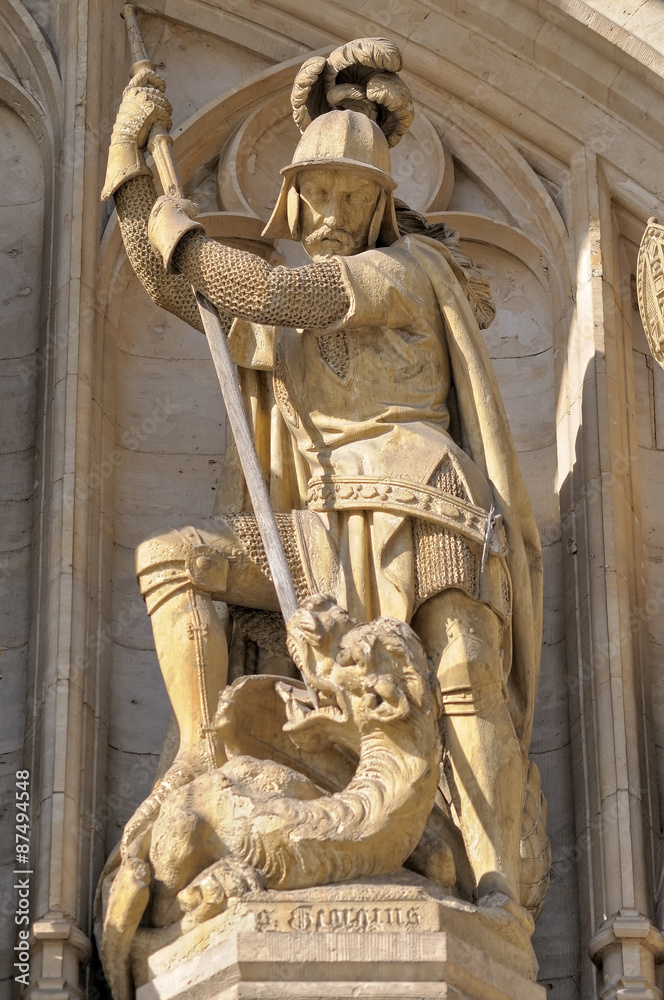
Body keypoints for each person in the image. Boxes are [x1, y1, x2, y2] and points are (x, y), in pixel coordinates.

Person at [101, 54, 543, 935]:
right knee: (177, 562)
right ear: (294, 198)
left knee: (461, 677)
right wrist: (131, 170)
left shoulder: (404, 269)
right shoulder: (289, 294)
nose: (333, 215)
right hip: (316, 526)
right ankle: (196, 754)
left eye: (351, 196)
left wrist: (190, 237)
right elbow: (173, 287)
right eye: (319, 195)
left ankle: (495, 890)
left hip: (422, 497)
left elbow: (264, 287)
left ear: (379, 204)